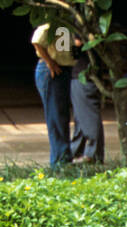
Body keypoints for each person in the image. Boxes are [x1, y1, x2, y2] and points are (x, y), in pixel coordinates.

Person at [31, 21, 73, 166]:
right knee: (56, 116)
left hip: (65, 68)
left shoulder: (69, 23)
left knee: (61, 115)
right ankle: (59, 160)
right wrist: (50, 62)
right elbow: (36, 40)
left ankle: (63, 157)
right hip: (53, 70)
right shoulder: (53, 22)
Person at [69, 45, 105, 164]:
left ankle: (92, 154)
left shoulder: (82, 29)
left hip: (84, 74)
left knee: (88, 116)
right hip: (82, 74)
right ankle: (77, 151)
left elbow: (73, 44)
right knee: (80, 116)